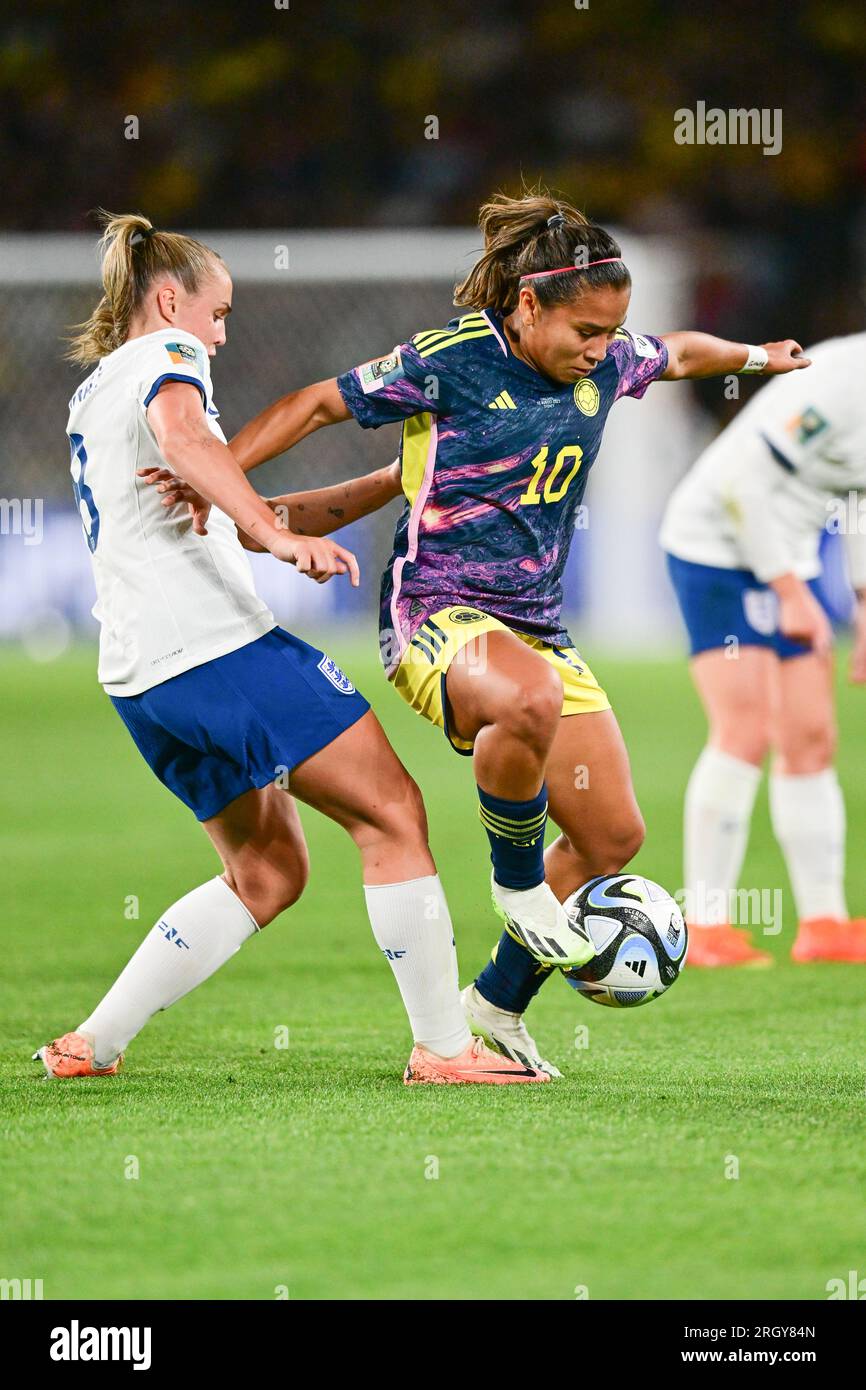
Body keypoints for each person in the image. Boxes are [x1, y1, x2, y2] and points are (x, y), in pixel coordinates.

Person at [221, 188, 810, 1074]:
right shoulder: (448, 360)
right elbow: (314, 404)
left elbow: (679, 352)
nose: (601, 351)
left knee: (613, 839)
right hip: (433, 614)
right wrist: (215, 475)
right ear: (528, 304)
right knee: (526, 697)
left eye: (612, 333)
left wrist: (757, 354)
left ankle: (495, 1004)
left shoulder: (607, 363)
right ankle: (518, 883)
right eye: (585, 332)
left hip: (538, 627)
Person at [36, 211, 548, 1087]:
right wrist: (272, 544)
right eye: (219, 313)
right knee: (391, 812)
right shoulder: (168, 359)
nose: (221, 335)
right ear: (169, 302)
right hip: (214, 647)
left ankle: (93, 1041)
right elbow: (194, 445)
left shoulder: (96, 392)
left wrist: (392, 481)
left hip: (141, 677)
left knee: (267, 870)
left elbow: (219, 500)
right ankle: (443, 1047)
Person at [660, 332, 866, 965]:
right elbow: (742, 487)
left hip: (787, 556)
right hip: (716, 546)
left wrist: (862, 606)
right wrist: (792, 593)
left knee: (811, 736)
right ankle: (706, 925)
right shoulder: (841, 380)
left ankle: (824, 926)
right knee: (743, 729)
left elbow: (860, 502)